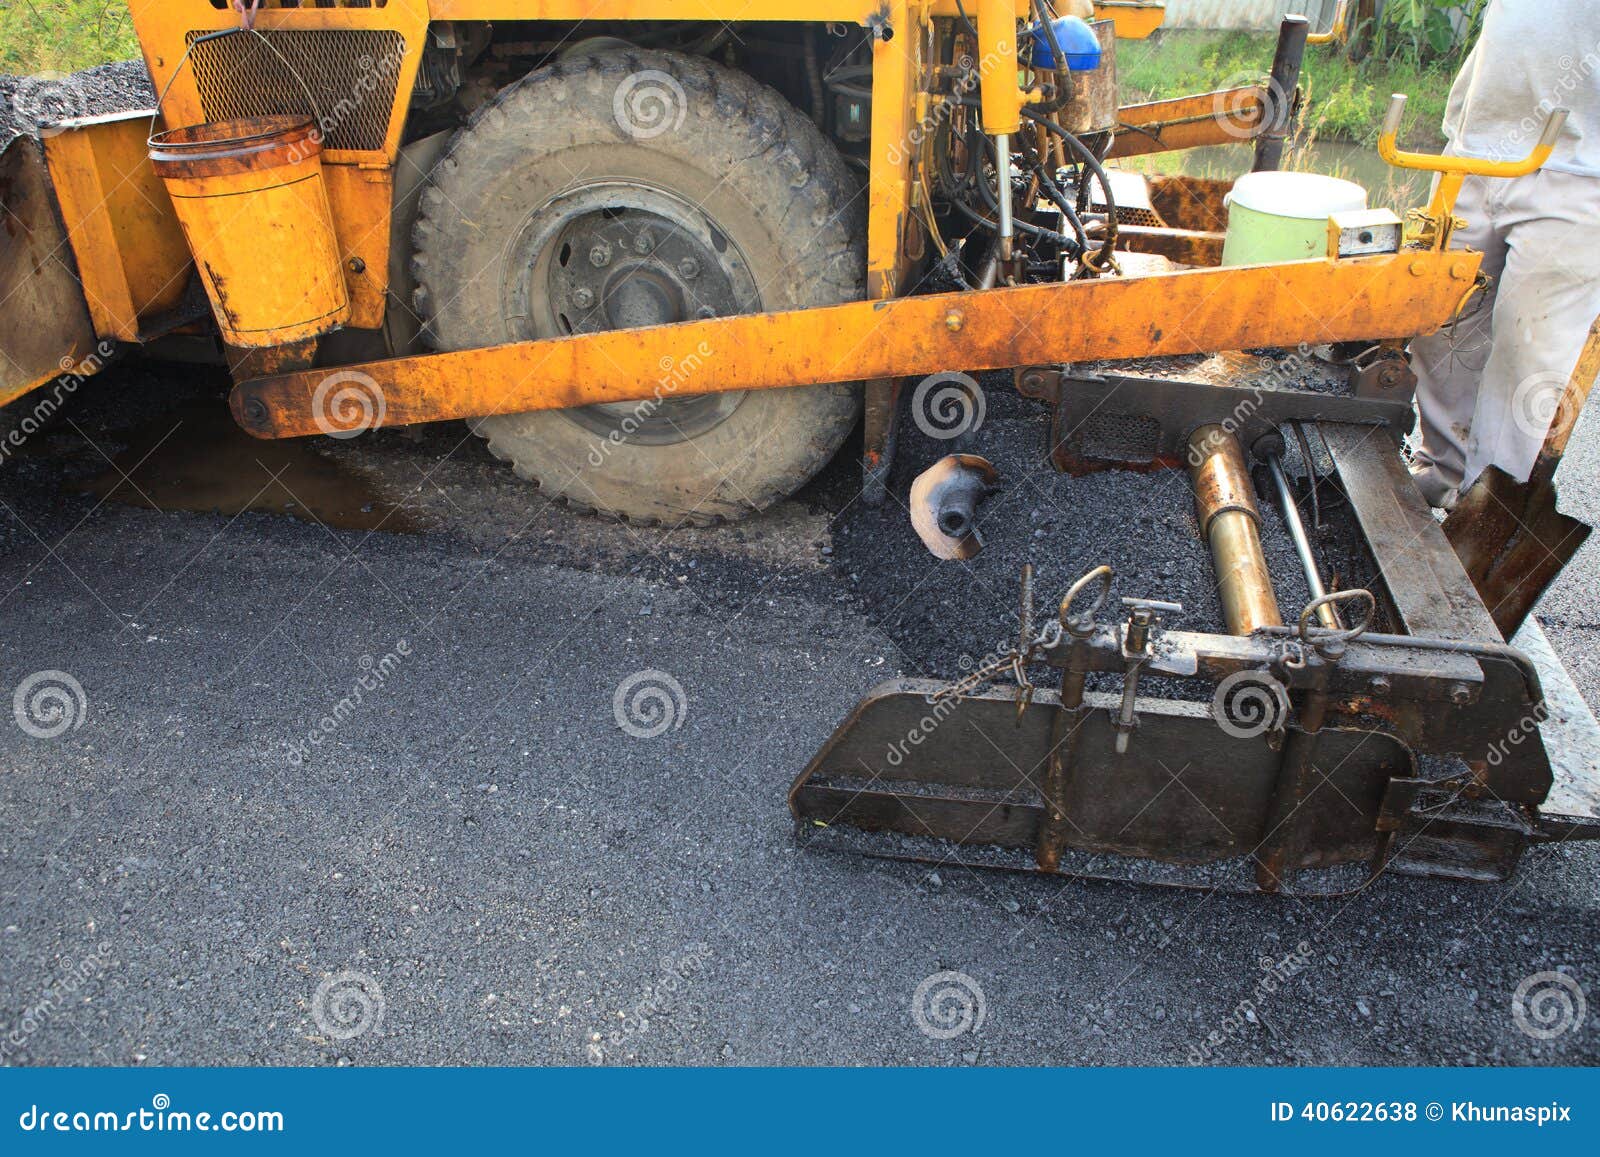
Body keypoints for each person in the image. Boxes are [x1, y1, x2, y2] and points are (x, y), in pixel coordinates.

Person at [1407, 0, 1600, 509]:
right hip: (1476, 145)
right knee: (1442, 319)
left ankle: (1486, 505)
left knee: (1526, 347)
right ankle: (1443, 469)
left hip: (1581, 168)